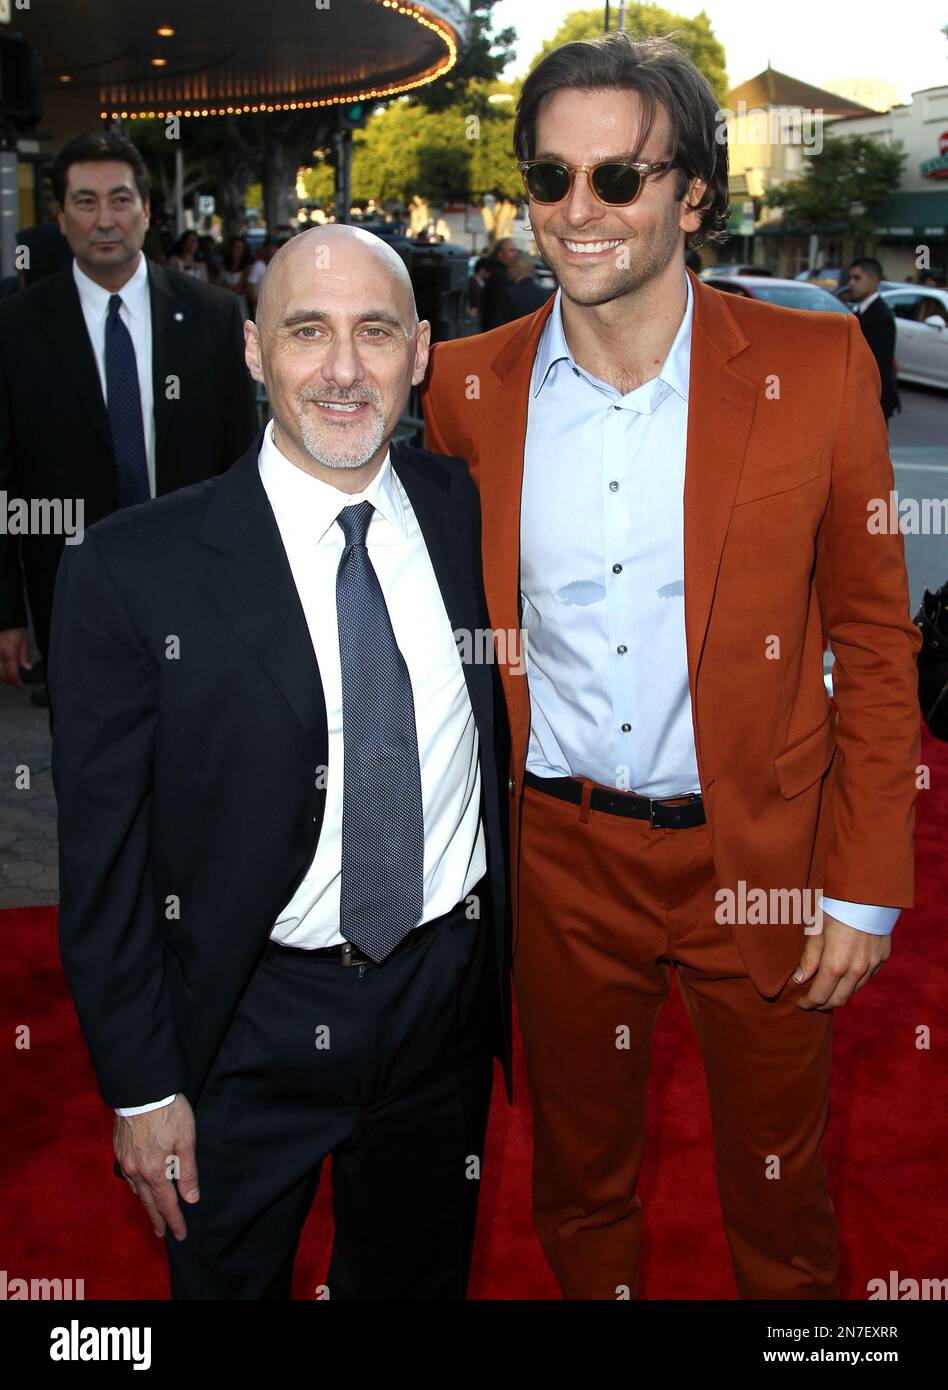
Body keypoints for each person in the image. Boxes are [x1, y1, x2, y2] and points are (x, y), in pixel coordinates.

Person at [421, 32, 921, 1300]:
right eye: (548, 178)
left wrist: (864, 886)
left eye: (617, 179)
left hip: (756, 856)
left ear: (693, 193)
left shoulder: (814, 368)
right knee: (579, 1187)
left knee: (782, 1199)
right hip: (558, 860)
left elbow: (871, 634)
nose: (576, 213)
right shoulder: (468, 391)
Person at [48, 223, 512, 1301]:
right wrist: (141, 1084)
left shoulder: (461, 512)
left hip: (438, 1011)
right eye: (307, 331)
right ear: (255, 353)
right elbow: (103, 865)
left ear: (423, 352)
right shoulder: (132, 570)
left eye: (375, 333)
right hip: (241, 1028)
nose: (344, 370)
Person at [0, 131, 258, 701]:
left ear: (146, 210)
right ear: (61, 217)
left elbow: (244, 461)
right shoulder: (15, 329)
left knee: (202, 763)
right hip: (71, 595)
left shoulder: (215, 317)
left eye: (120, 200)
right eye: (85, 202)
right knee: (93, 767)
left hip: (199, 589)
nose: (104, 219)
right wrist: (7, 614)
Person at [847, 257, 900, 422]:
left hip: (873, 399)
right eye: (850, 278)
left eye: (857, 278)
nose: (851, 283)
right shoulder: (860, 312)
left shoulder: (881, 316)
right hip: (861, 397)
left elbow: (878, 364)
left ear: (874, 280)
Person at [497, 251, 554, 323]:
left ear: (519, 270)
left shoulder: (509, 293)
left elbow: (499, 325)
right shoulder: (547, 295)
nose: (508, 270)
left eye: (511, 266)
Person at [479, 236, 518, 331]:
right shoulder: (499, 276)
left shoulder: (502, 273)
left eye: (515, 251)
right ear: (500, 254)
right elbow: (498, 309)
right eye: (511, 251)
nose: (515, 254)